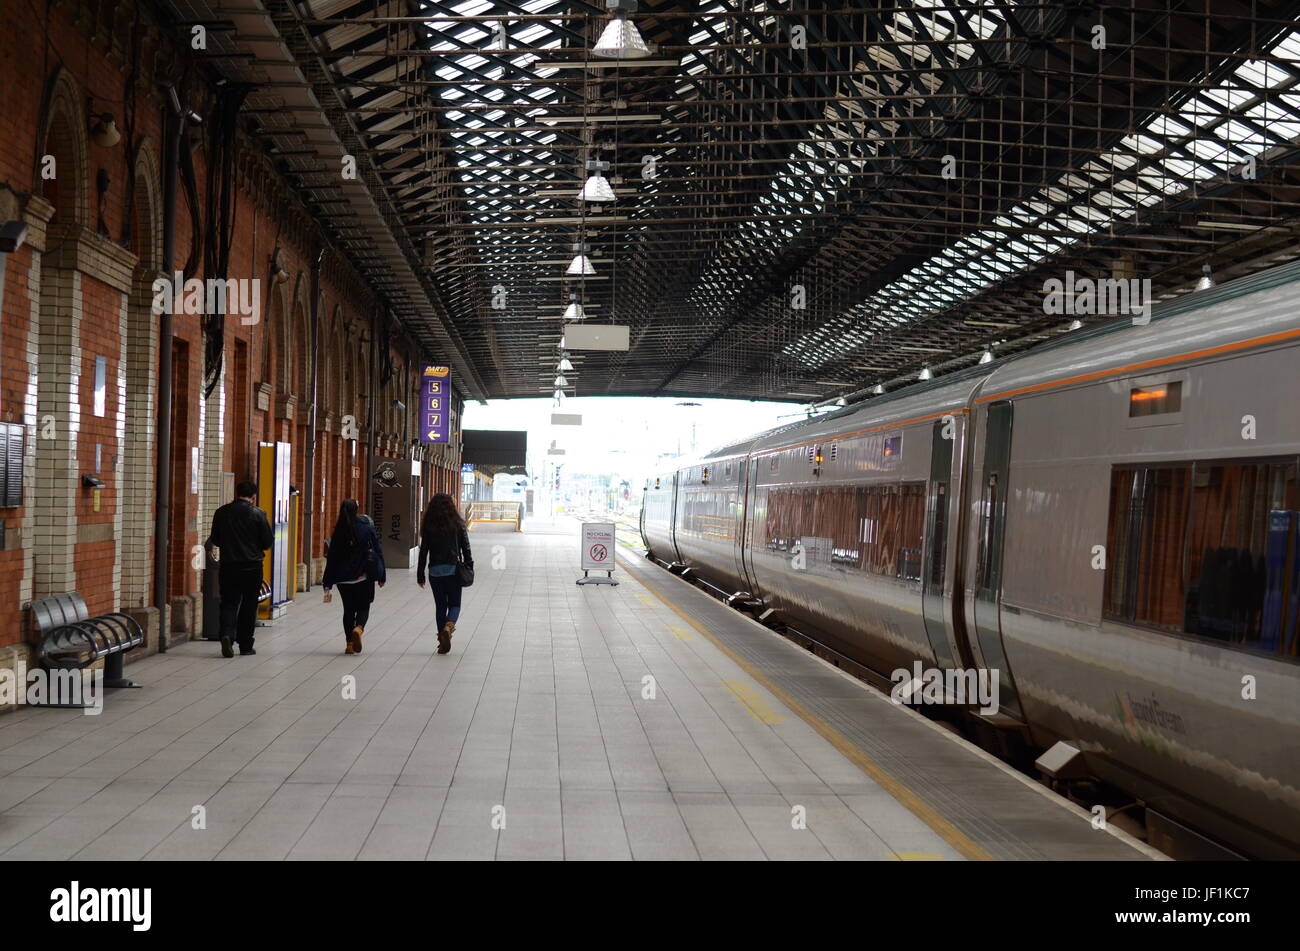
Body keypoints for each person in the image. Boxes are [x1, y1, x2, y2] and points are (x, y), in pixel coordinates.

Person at [207, 481, 274, 658]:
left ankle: (227, 635)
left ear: (237, 493)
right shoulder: (258, 514)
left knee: (229, 602)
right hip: (252, 567)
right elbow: (268, 542)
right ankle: (245, 645)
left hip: (229, 565)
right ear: (253, 497)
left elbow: (216, 539)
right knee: (249, 604)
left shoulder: (221, 512)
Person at [322, 499, 386, 654]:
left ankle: (349, 644)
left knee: (348, 609)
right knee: (364, 606)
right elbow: (377, 550)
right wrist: (382, 574)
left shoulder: (338, 531)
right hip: (362, 575)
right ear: (357, 510)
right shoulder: (366, 528)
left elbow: (332, 557)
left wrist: (327, 582)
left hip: (342, 578)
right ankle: (358, 628)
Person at [416, 493, 472, 655]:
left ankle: (442, 640)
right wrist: (469, 565)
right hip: (453, 569)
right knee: (454, 604)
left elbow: (424, 550)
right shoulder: (458, 524)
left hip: (435, 571)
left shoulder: (429, 525)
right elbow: (466, 547)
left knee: (441, 606)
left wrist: (420, 573)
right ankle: (449, 626)